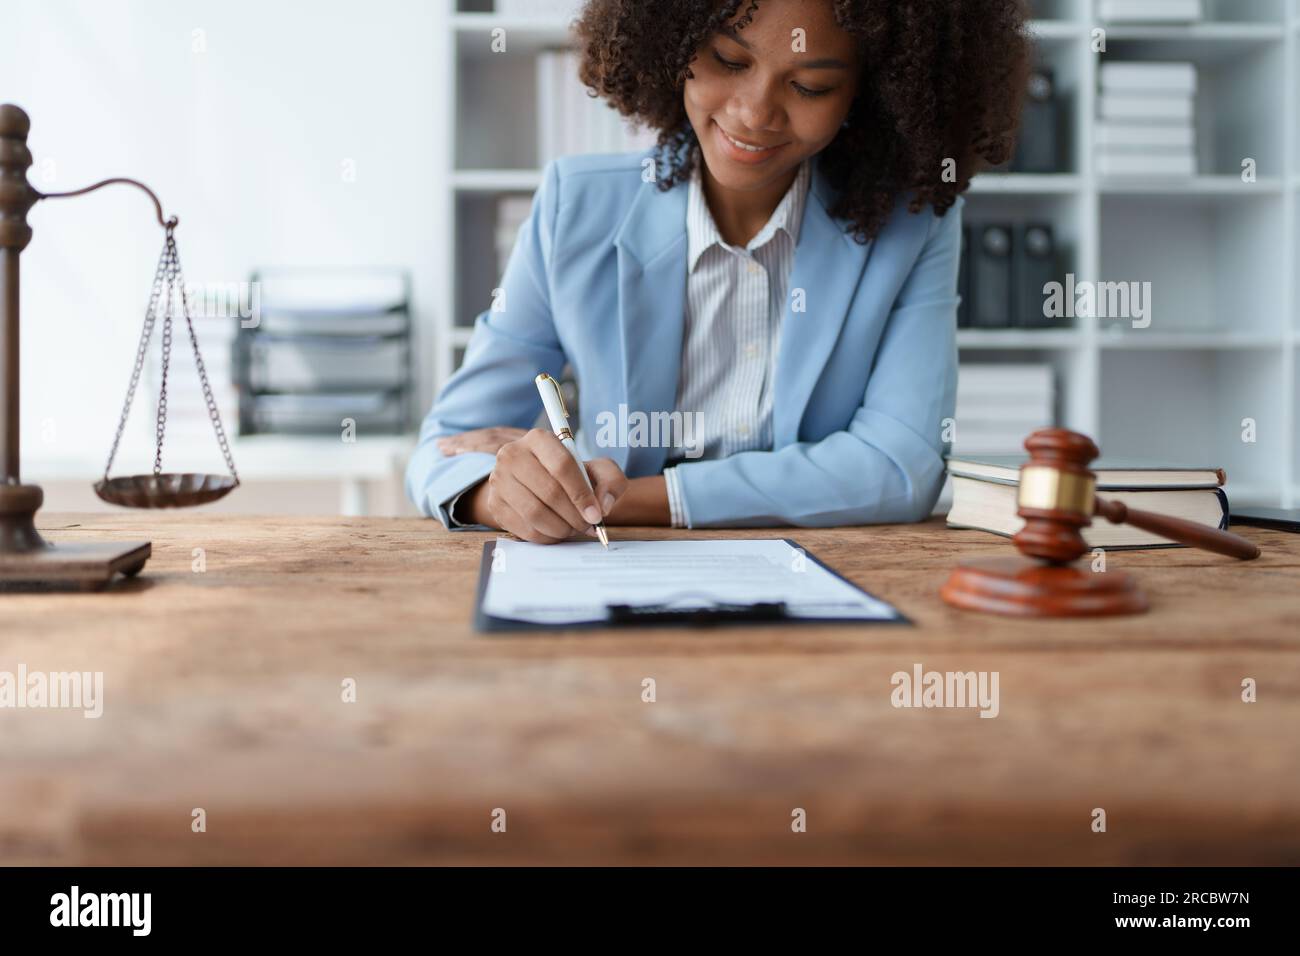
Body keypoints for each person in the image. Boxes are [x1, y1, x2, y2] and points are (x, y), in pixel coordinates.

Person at [407, 0, 1029, 542]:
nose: (755, 113)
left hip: (826, 588)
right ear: (671, 41)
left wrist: (630, 500)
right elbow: (448, 446)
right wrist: (500, 495)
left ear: (871, 95)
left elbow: (900, 467)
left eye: (810, 86)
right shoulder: (575, 208)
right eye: (730, 61)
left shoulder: (913, 225)